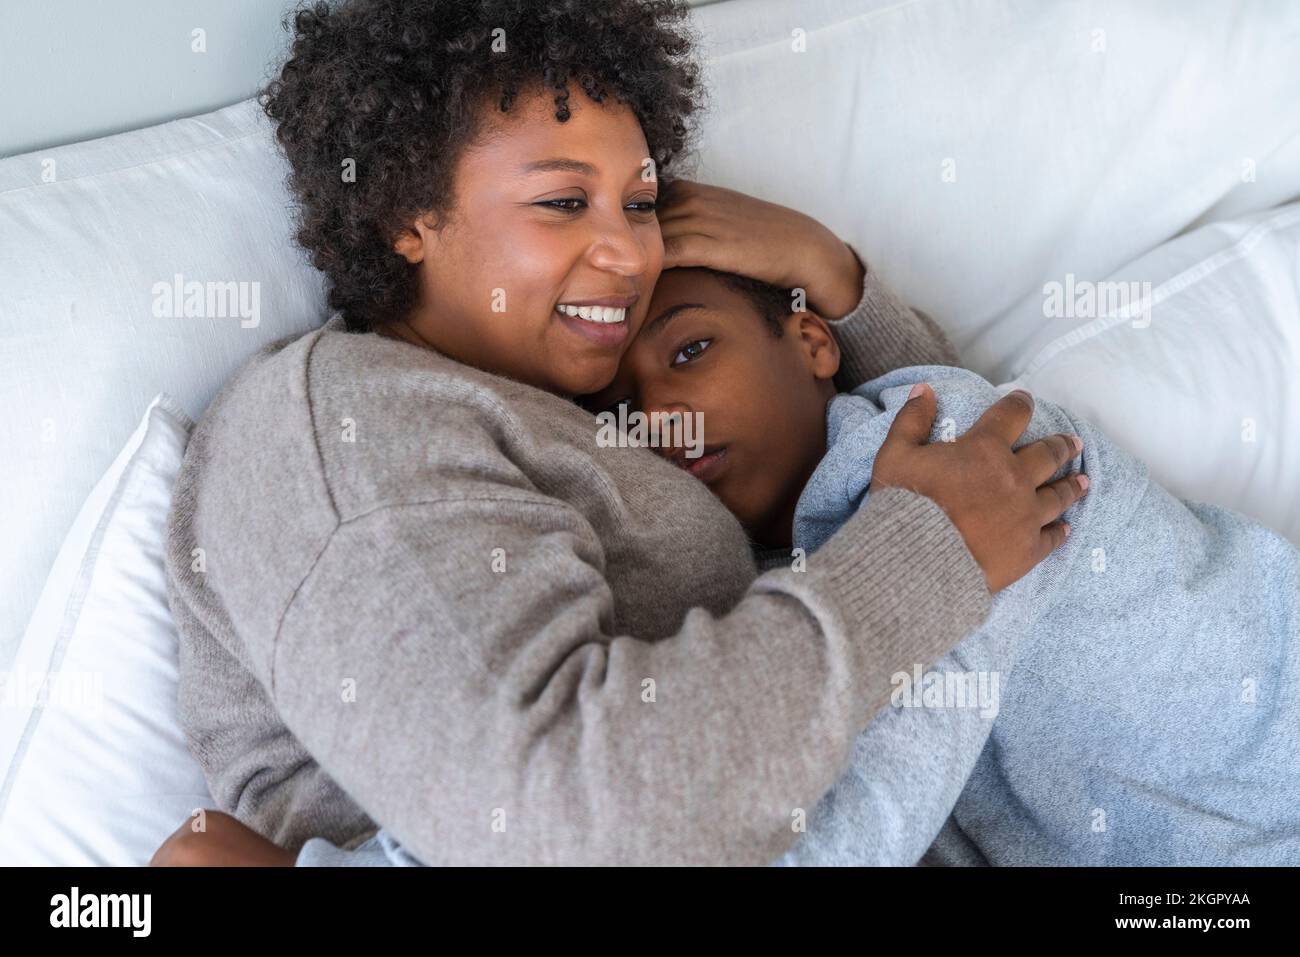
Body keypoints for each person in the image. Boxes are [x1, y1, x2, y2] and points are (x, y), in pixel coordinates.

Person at [154, 0, 1085, 867]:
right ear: (408, 216)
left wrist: (828, 279)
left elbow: (909, 462)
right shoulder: (350, 428)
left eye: (640, 205)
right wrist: (922, 563)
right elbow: (560, 813)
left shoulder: (577, 391)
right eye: (565, 203)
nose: (630, 254)